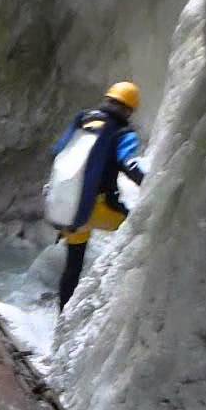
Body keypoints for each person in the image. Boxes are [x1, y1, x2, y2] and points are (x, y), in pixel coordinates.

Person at [52, 81, 145, 310]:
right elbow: (129, 164)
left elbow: (57, 152)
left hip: (69, 204)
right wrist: (152, 184)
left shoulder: (83, 120)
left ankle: (63, 316)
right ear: (129, 110)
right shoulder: (123, 134)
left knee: (73, 265)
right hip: (99, 207)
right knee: (137, 229)